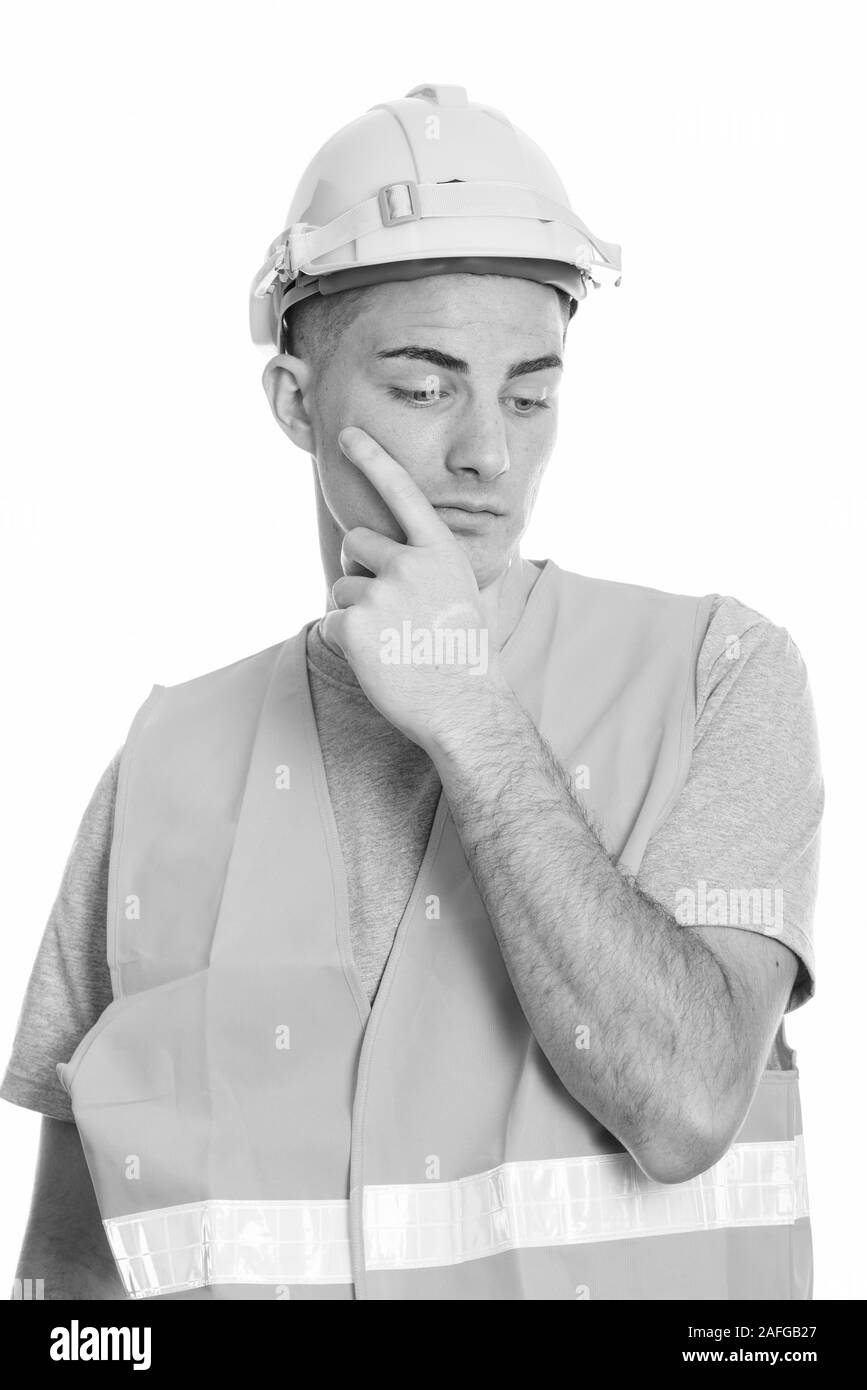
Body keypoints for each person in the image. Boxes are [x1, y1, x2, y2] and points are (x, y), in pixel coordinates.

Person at [3, 84, 822, 1301]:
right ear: (296, 404)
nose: (490, 453)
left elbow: (689, 1105)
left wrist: (474, 720)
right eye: (427, 386)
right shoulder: (166, 763)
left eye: (531, 394)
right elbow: (76, 1278)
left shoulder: (717, 678)